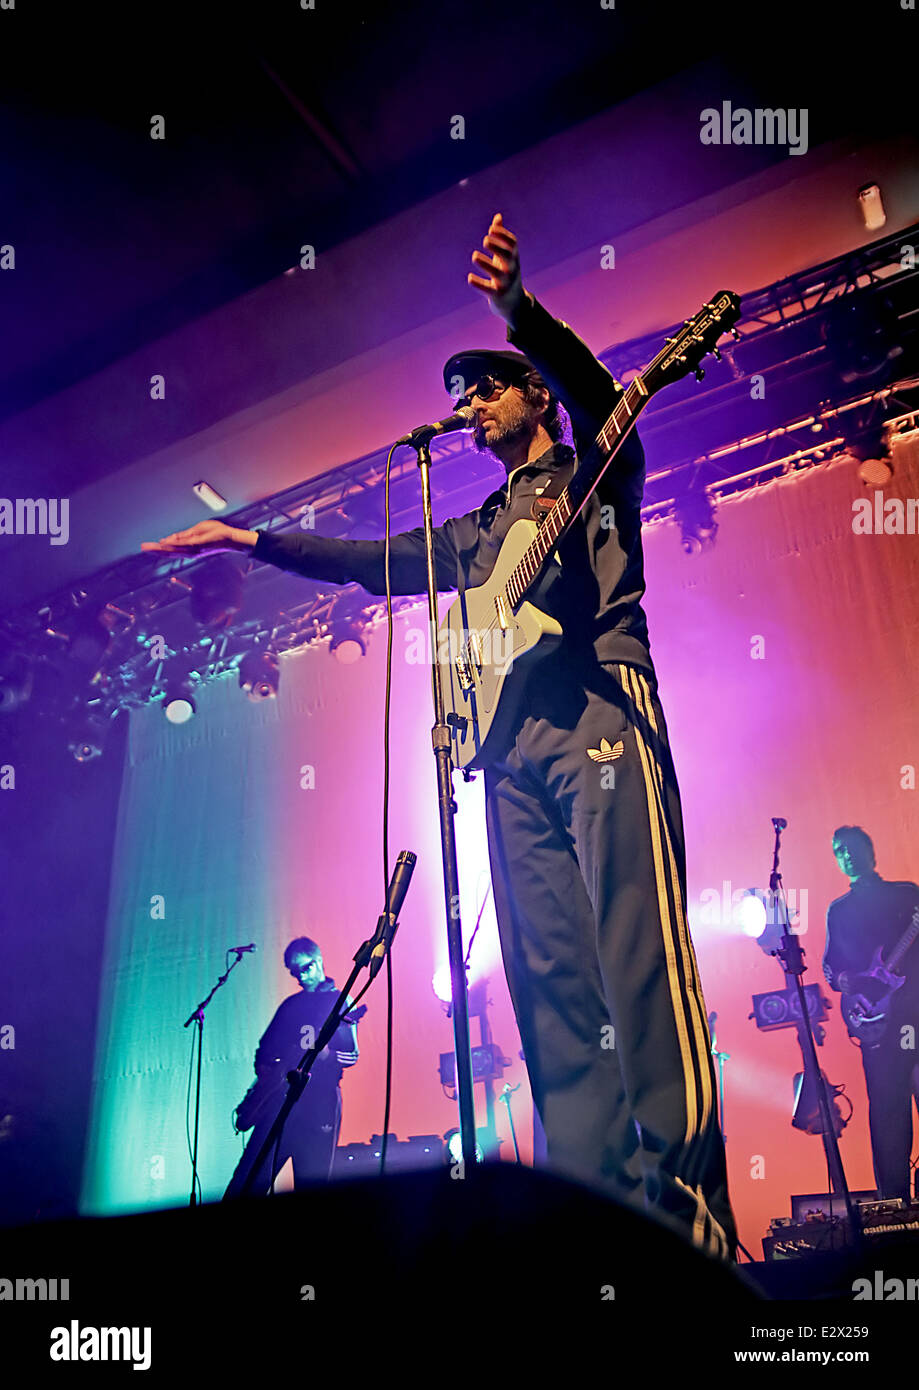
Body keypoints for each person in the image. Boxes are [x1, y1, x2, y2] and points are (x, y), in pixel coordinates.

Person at [144, 213, 736, 1258]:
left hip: (599, 712)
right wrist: (251, 538)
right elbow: (366, 559)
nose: (466, 404)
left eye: (488, 385)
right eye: (460, 393)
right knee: (550, 986)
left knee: (637, 962)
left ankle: (684, 1221)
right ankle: (596, 1230)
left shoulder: (595, 463)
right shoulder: (468, 532)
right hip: (506, 755)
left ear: (533, 398)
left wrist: (522, 312)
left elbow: (605, 397)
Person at [823, 825, 919, 1201]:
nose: (846, 855)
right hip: (875, 1023)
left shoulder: (906, 894)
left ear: (871, 850)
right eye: (839, 850)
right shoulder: (839, 910)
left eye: (852, 847)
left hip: (914, 1013)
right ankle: (895, 1206)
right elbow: (832, 969)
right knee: (887, 1115)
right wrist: (853, 981)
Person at [223, 937, 359, 1198]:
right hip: (279, 1103)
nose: (300, 976)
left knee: (312, 1184)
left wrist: (327, 1056)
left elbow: (351, 1054)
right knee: (247, 1182)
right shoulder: (291, 1005)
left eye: (304, 968)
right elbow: (263, 1050)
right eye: (294, 971)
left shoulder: (340, 1000)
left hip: (320, 1106)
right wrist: (268, 1071)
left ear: (318, 961)